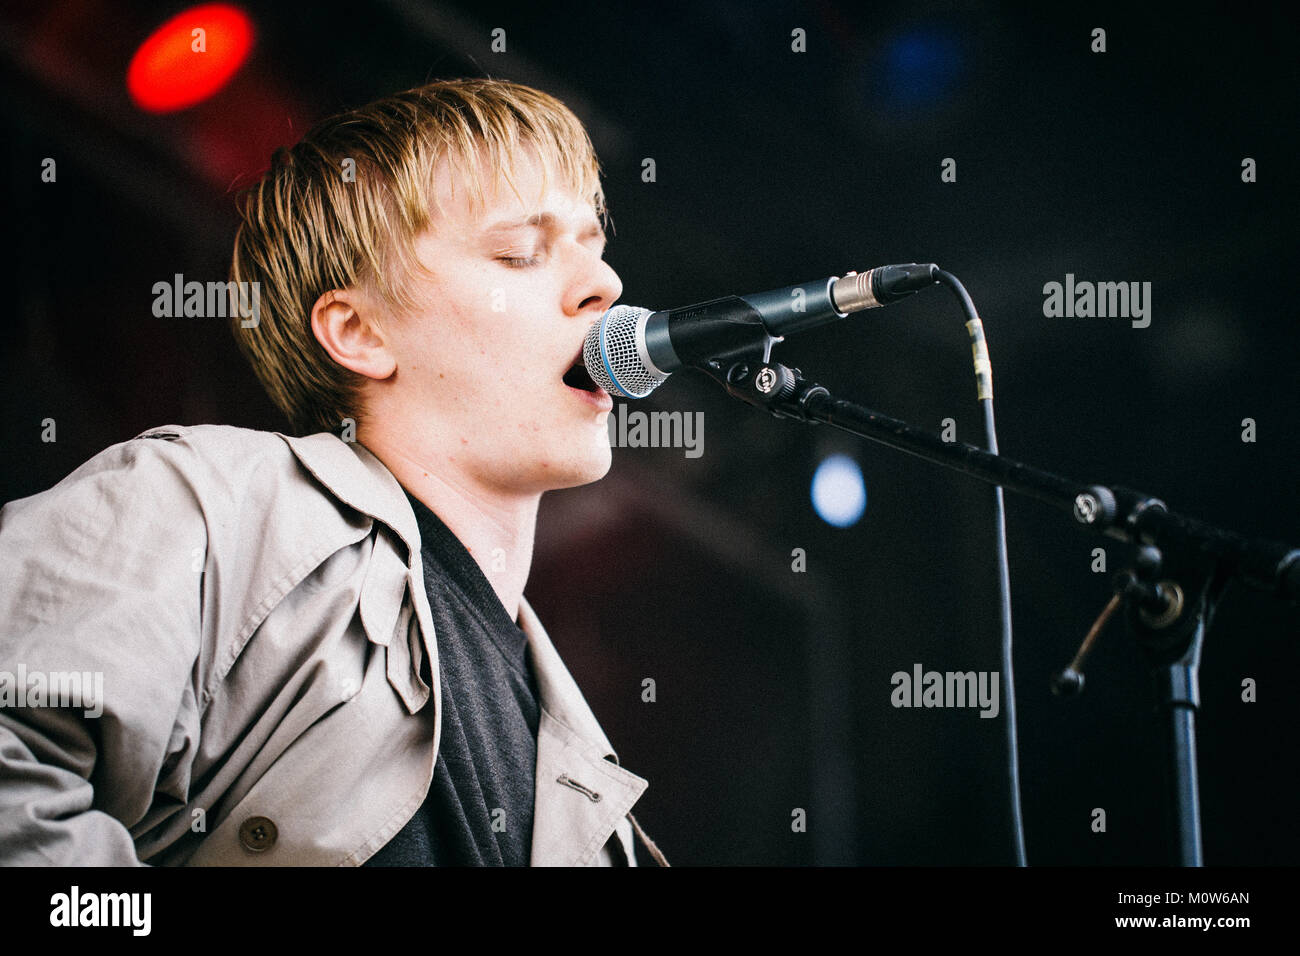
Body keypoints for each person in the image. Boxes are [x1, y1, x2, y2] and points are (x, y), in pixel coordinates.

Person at [0, 78, 666, 867]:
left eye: (594, 245)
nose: (607, 285)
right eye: (520, 252)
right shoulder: (211, 506)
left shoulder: (592, 786)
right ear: (358, 331)